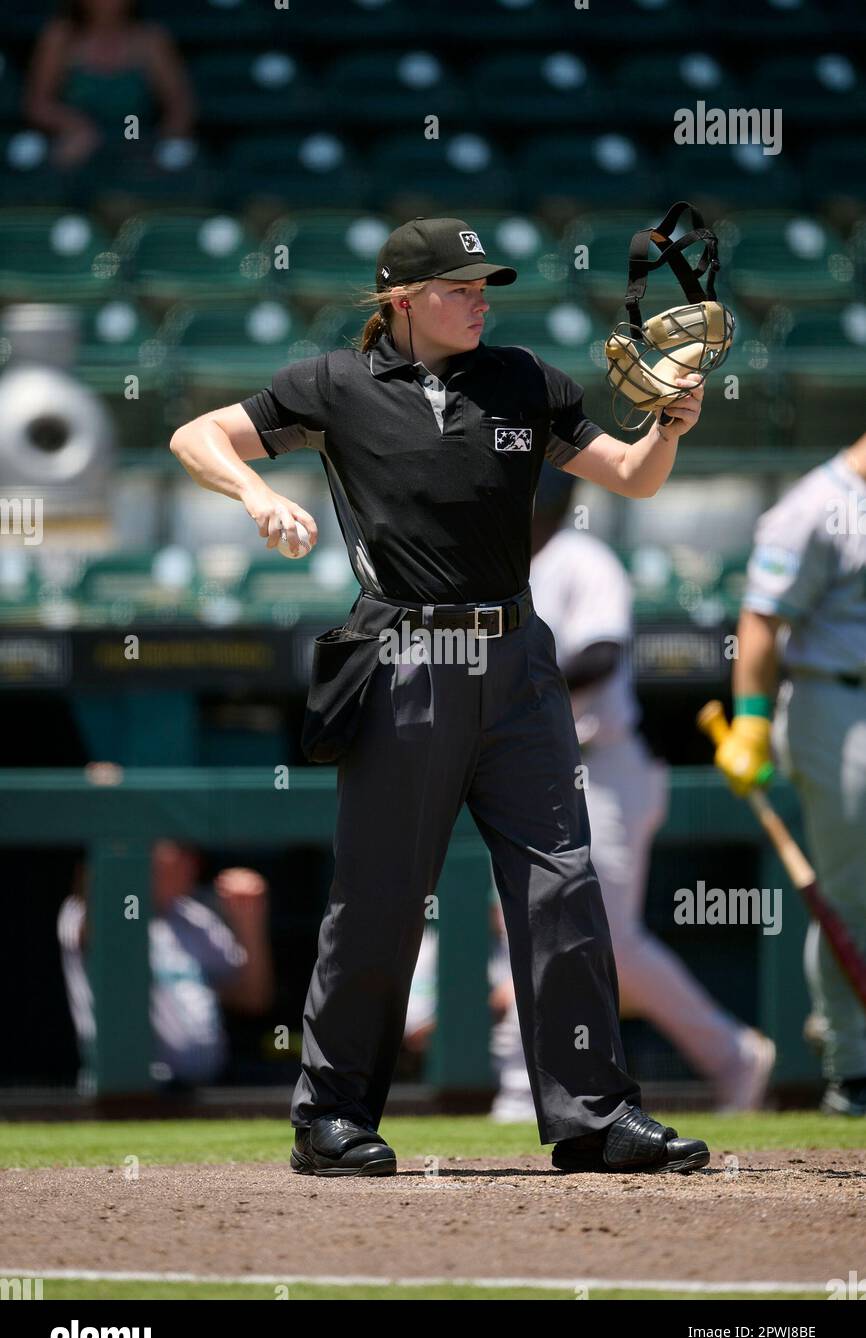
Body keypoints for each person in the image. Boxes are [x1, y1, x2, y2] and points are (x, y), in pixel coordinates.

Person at [170, 214, 711, 1176]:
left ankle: (591, 1114)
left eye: (484, 285)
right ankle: (331, 1117)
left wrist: (667, 422)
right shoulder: (333, 383)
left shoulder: (525, 379)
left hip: (517, 665)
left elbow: (629, 478)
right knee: (380, 898)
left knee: (563, 889)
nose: (478, 300)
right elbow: (195, 434)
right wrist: (254, 495)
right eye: (459, 286)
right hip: (404, 661)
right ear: (401, 299)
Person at [487, 466, 776, 1118]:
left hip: (605, 767)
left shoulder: (582, 559)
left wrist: (515, 676)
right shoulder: (501, 568)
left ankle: (731, 1055)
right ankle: (516, 1090)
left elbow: (602, 655)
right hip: (533, 769)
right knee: (519, 925)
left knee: (608, 937)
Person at [715, 434, 866, 1117]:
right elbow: (760, 619)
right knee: (849, 891)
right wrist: (750, 719)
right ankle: (851, 1065)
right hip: (835, 701)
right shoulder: (817, 505)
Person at [58, 838, 275, 1091]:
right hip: (122, 1091)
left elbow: (253, 999)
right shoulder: (90, 912)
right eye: (180, 850)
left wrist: (249, 921)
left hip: (201, 1091)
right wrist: (122, 846)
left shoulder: (194, 918)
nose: (192, 862)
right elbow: (94, 892)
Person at [24, 0, 194, 170]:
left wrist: (159, 145)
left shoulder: (152, 39)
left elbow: (180, 107)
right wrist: (74, 126)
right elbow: (38, 104)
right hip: (75, 142)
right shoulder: (59, 37)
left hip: (135, 139)